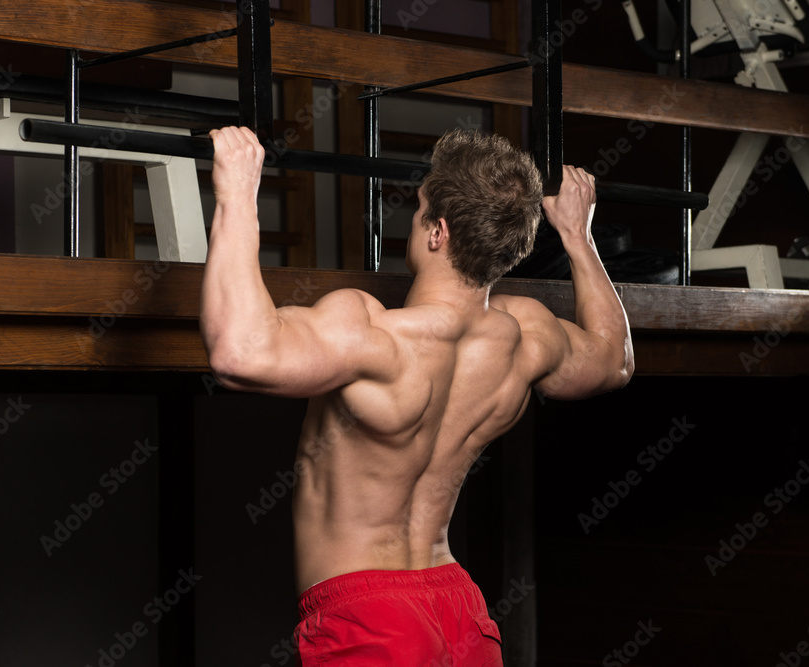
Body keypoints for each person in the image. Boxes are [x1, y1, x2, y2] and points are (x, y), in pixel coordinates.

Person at [200, 126, 633, 666]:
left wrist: (237, 191)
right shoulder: (526, 337)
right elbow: (614, 359)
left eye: (420, 207)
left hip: (372, 617)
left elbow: (238, 353)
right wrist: (577, 236)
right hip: (461, 611)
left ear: (438, 233)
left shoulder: (374, 334)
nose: (414, 217)